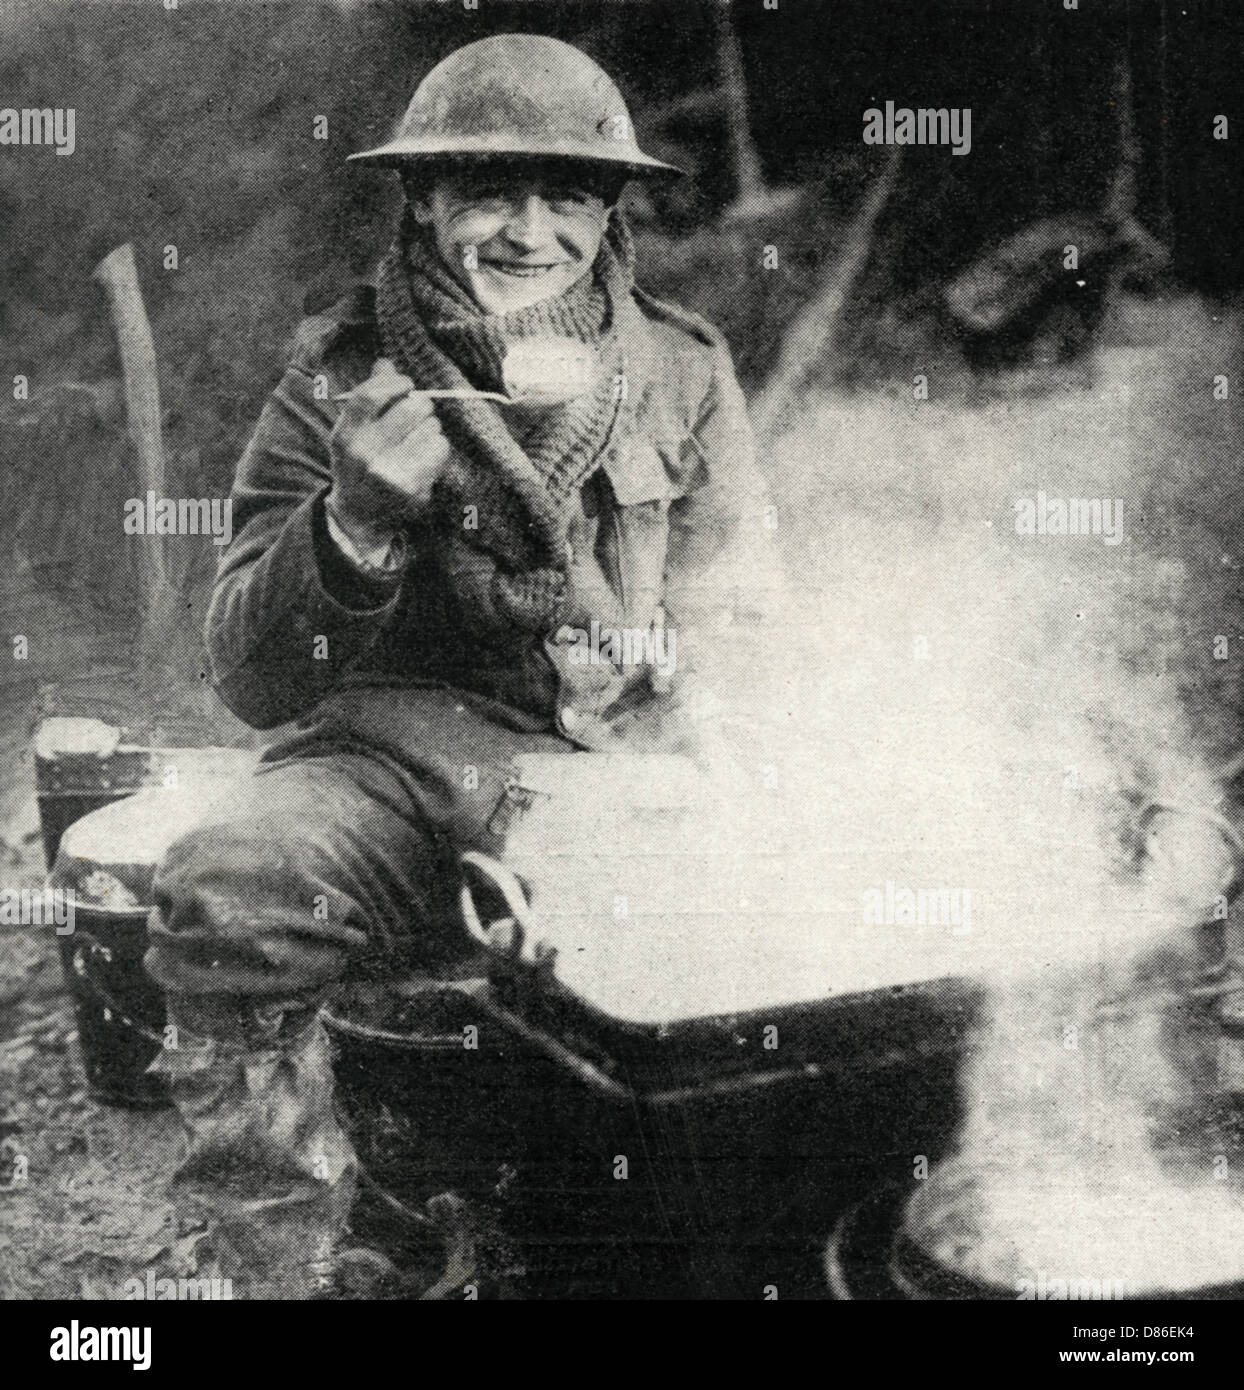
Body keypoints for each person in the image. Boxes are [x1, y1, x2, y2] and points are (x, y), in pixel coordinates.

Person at [143, 33, 772, 1297]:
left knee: (722, 945)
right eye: (486, 190)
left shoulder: (680, 370)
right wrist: (355, 521)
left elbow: (748, 619)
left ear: (607, 215)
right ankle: (284, 1259)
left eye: (566, 197)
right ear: (422, 199)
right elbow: (252, 680)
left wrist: (677, 678)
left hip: (597, 770)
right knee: (230, 883)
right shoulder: (339, 373)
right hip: (380, 767)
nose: (527, 232)